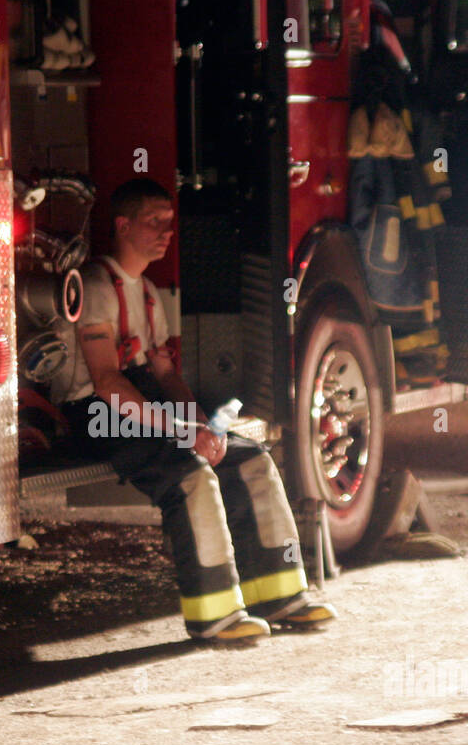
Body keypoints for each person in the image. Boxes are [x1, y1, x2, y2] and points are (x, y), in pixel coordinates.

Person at [49, 178, 336, 641]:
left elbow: (164, 377)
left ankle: (282, 595)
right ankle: (215, 615)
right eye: (154, 222)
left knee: (251, 459)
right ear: (122, 225)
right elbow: (106, 384)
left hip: (141, 407)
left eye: (169, 222)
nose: (167, 232)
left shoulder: (146, 292)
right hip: (99, 416)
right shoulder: (98, 288)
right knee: (191, 474)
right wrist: (184, 434)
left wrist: (203, 425)